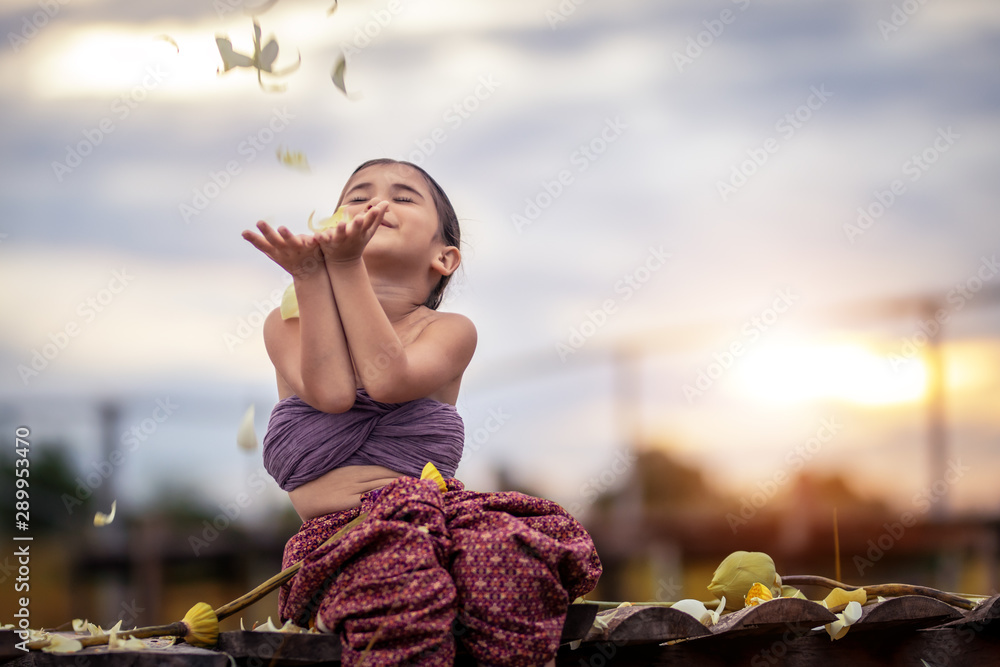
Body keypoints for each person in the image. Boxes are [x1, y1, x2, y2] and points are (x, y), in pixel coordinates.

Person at [242, 159, 601, 667]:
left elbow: (389, 380)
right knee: (400, 589)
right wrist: (313, 274)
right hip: (341, 541)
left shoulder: (449, 330)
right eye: (357, 196)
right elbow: (334, 394)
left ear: (444, 257)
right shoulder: (288, 323)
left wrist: (344, 267)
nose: (376, 202)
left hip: (439, 521)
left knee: (508, 559)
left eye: (403, 197)